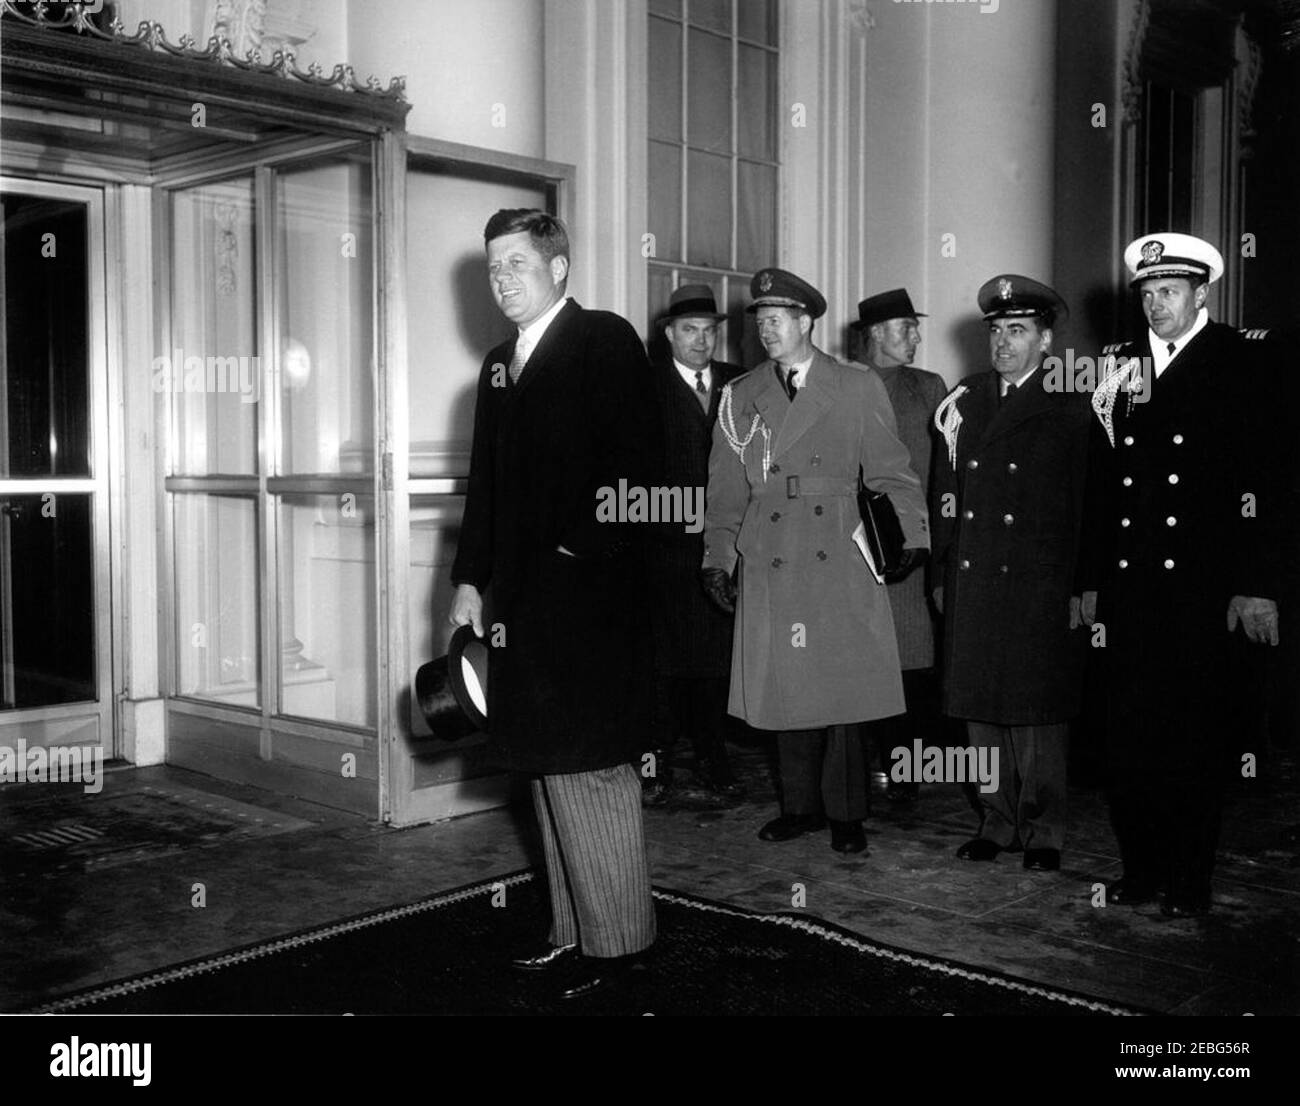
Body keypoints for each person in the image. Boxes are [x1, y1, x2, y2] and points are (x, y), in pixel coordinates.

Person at [448, 209, 661, 997]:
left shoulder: (602, 339)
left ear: (559, 268)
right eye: (494, 267)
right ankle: (572, 935)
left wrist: (581, 547)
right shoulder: (499, 366)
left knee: (592, 767)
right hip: (520, 608)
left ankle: (623, 951)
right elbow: (487, 491)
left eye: (518, 264)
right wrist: (469, 580)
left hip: (590, 602)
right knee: (544, 767)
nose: (503, 279)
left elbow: (645, 468)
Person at [1077, 233, 1282, 917]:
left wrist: (1257, 583)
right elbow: (1102, 490)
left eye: (1168, 292)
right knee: (1129, 739)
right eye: (1146, 293)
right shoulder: (1119, 368)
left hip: (1203, 590)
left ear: (1201, 294)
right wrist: (1091, 586)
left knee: (1193, 741)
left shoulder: (1242, 362)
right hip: (1133, 591)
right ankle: (1141, 871)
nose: (1155, 304)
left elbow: (1266, 482)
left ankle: (1189, 882)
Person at [702, 267, 929, 855]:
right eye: (761, 321)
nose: (766, 331)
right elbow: (725, 493)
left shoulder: (854, 386)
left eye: (777, 320)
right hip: (771, 553)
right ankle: (799, 808)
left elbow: (891, 472)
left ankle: (848, 813)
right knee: (786, 687)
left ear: (806, 323)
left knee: (844, 692)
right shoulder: (739, 395)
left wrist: (912, 536)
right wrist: (718, 558)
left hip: (839, 555)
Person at [930, 275, 1090, 872]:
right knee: (981, 707)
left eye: (1017, 330)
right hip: (975, 578)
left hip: (1040, 580)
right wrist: (942, 575)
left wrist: (1084, 585)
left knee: (1036, 709)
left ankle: (1044, 828)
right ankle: (995, 819)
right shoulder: (965, 401)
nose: (1002, 342)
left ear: (1045, 339)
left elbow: (1091, 504)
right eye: (996, 331)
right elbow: (944, 493)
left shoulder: (1075, 403)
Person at [643, 284, 745, 805]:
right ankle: (653, 765)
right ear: (668, 334)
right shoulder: (643, 385)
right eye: (690, 330)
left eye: (709, 331)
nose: (701, 340)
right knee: (660, 664)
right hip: (662, 552)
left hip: (722, 548)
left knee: (715, 662)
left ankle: (713, 758)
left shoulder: (737, 383)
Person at [850, 288, 947, 804]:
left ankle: (906, 766)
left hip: (915, 542)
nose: (915, 336)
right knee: (864, 658)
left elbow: (947, 468)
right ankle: (871, 763)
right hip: (858, 543)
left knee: (914, 657)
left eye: (914, 326)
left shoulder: (929, 387)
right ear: (875, 336)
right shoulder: (844, 384)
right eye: (905, 327)